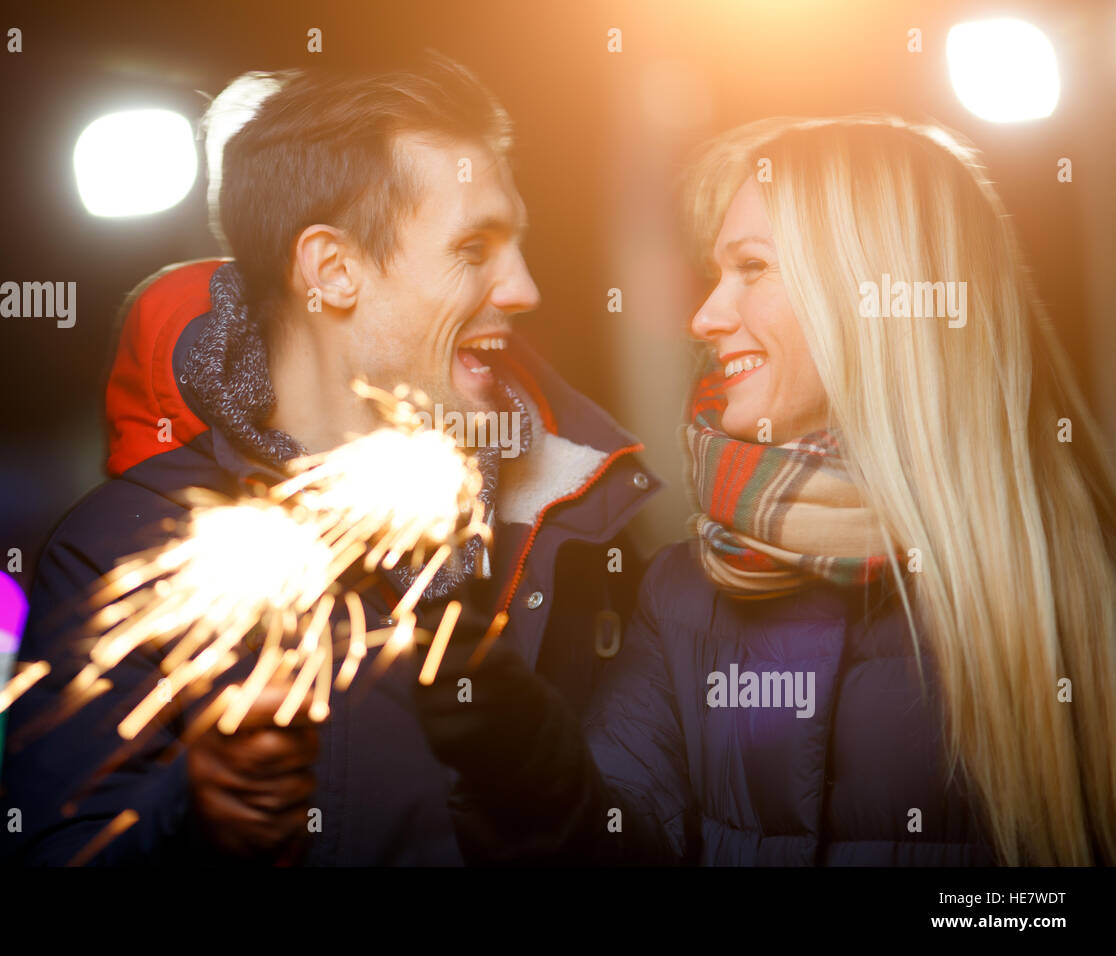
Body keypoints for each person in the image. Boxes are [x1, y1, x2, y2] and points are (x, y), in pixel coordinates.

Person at [0, 53, 658, 866]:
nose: (522, 288)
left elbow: (652, 842)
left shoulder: (585, 531)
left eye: (514, 243)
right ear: (332, 271)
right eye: (474, 247)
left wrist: (519, 755)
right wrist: (196, 821)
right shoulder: (120, 548)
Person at [414, 115, 1116, 866]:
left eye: (750, 268)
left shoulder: (1084, 576)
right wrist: (510, 751)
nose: (705, 317)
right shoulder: (683, 591)